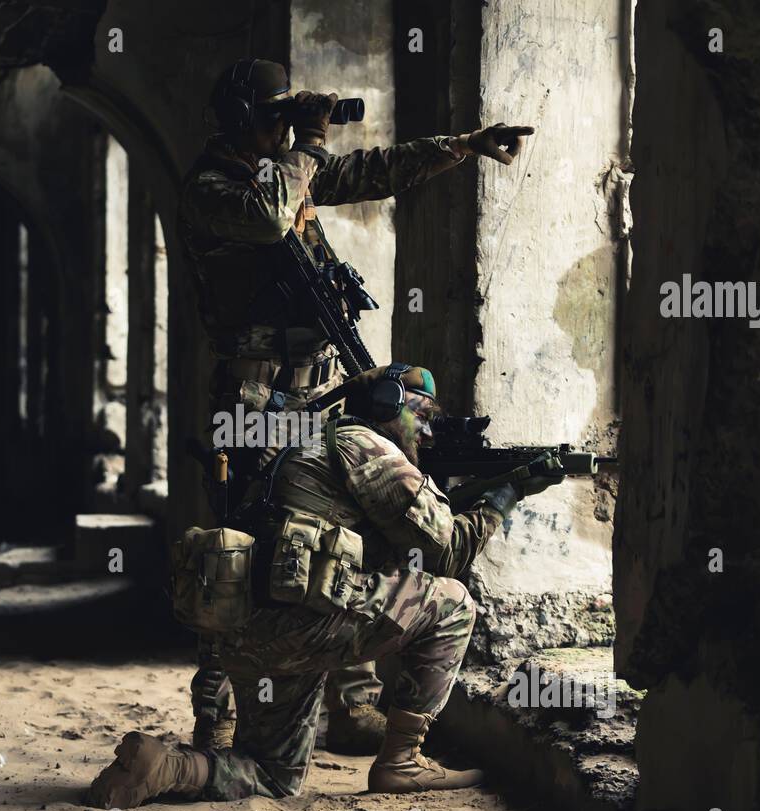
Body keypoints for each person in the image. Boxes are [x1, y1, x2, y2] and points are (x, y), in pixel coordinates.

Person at [179, 57, 534, 755]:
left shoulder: (287, 170)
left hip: (321, 381)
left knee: (351, 528)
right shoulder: (214, 187)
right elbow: (267, 215)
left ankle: (354, 703)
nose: (289, 129)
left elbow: (372, 171)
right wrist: (308, 141)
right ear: (247, 117)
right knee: (248, 540)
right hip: (257, 392)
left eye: (292, 117)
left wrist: (463, 145)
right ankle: (215, 709)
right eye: (277, 115)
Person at [86, 365, 563, 807]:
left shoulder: (303, 442)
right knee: (454, 603)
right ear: (385, 403)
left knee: (275, 777)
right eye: (422, 415)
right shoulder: (367, 447)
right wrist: (507, 493)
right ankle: (401, 762)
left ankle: (166, 766)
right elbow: (450, 550)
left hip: (245, 631)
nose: (430, 429)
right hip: (304, 624)